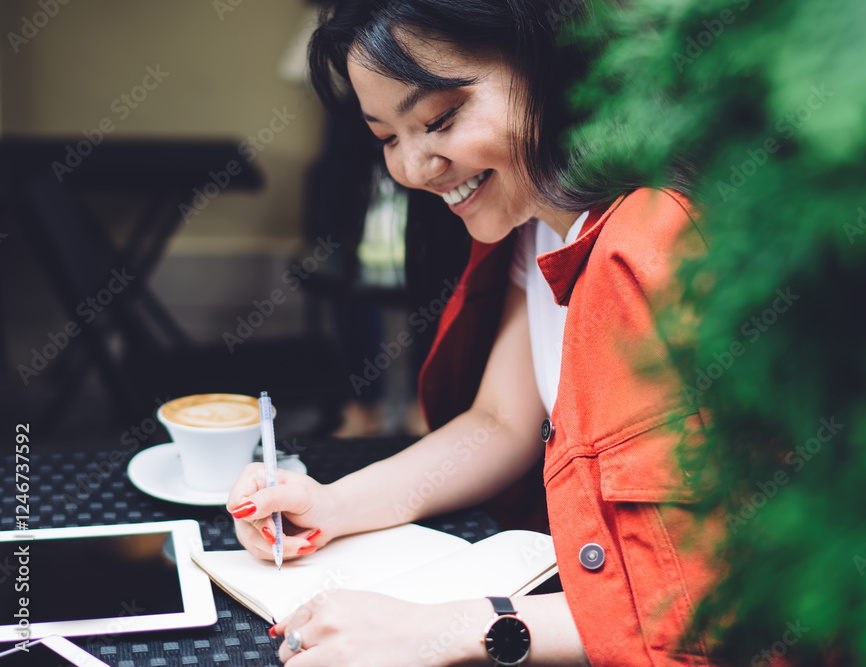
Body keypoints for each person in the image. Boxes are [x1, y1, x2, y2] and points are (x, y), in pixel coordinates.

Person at [226, 1, 720, 664]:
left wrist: (449, 630)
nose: (414, 166)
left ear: (548, 59)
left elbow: (696, 608)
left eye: (438, 120)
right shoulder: (540, 222)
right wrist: (330, 505)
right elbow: (499, 421)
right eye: (386, 137)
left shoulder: (650, 245)